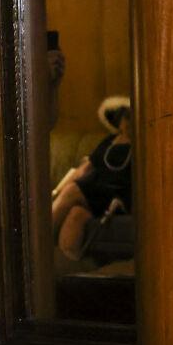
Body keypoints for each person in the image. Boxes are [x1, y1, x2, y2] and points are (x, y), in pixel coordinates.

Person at [52, 96, 133, 261]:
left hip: (116, 193)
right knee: (75, 215)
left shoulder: (141, 144)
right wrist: (56, 192)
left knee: (73, 191)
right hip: (94, 189)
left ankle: (35, 242)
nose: (128, 122)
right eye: (126, 117)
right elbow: (86, 167)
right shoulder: (110, 140)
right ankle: (67, 267)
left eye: (132, 117)